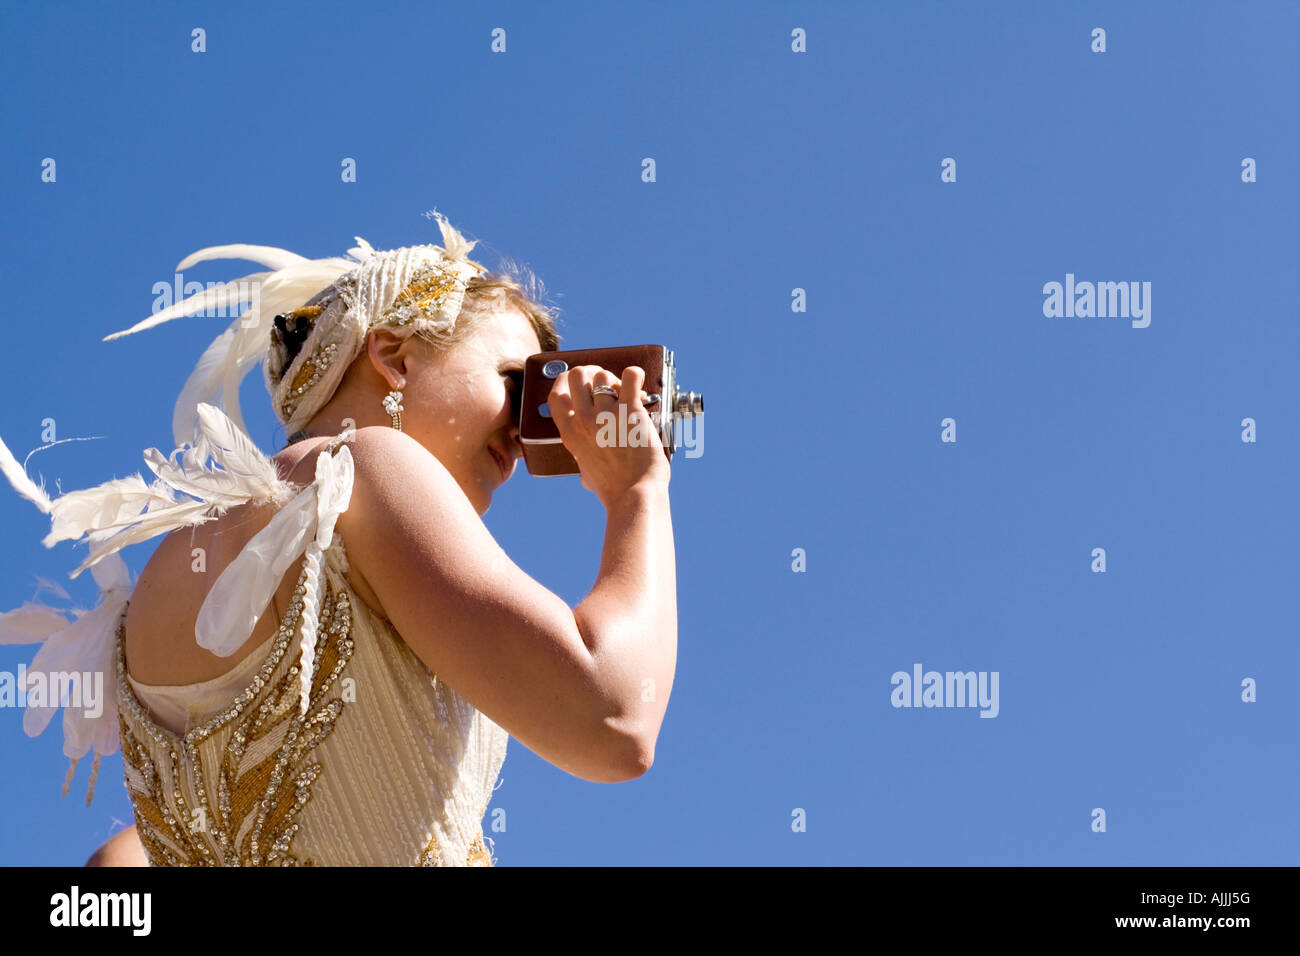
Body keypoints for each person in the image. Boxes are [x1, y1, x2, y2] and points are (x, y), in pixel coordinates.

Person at [0, 212, 677, 866]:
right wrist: (636, 494)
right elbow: (614, 719)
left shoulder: (149, 594)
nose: (524, 434)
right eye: (515, 382)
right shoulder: (371, 466)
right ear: (393, 355)